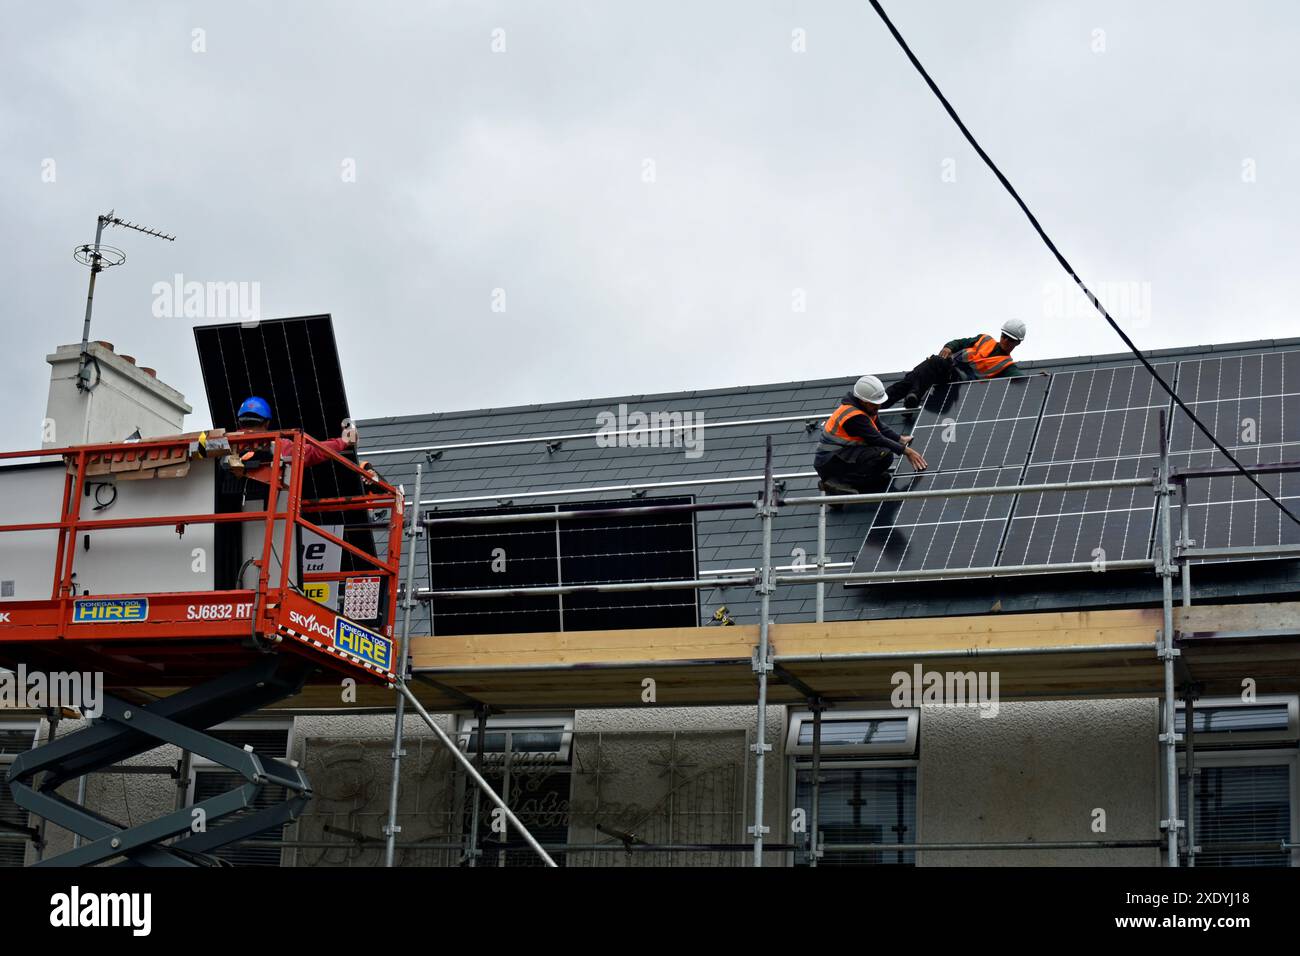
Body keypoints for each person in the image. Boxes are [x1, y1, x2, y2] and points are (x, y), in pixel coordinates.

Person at [815, 374, 928, 495]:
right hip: (830, 462)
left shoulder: (864, 408)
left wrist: (899, 439)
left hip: (841, 456)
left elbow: (879, 426)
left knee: (882, 471)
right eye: (875, 403)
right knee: (883, 455)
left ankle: (855, 483)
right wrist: (907, 451)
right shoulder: (854, 416)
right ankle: (835, 483)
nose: (878, 406)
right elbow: (877, 439)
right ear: (864, 401)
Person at [882, 318, 1027, 409]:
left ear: (1018, 343)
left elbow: (1024, 382)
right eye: (1004, 336)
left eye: (1011, 339)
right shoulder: (984, 339)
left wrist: (1041, 378)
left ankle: (914, 393)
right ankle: (881, 405)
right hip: (947, 370)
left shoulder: (1007, 365)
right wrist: (948, 347)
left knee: (930, 366)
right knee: (926, 368)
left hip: (958, 385)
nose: (1006, 341)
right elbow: (959, 342)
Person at [232, 396, 363, 470]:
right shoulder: (277, 445)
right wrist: (344, 440)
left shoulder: (223, 444)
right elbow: (314, 451)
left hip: (224, 510)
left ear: (239, 422)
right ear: (267, 423)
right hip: (270, 509)